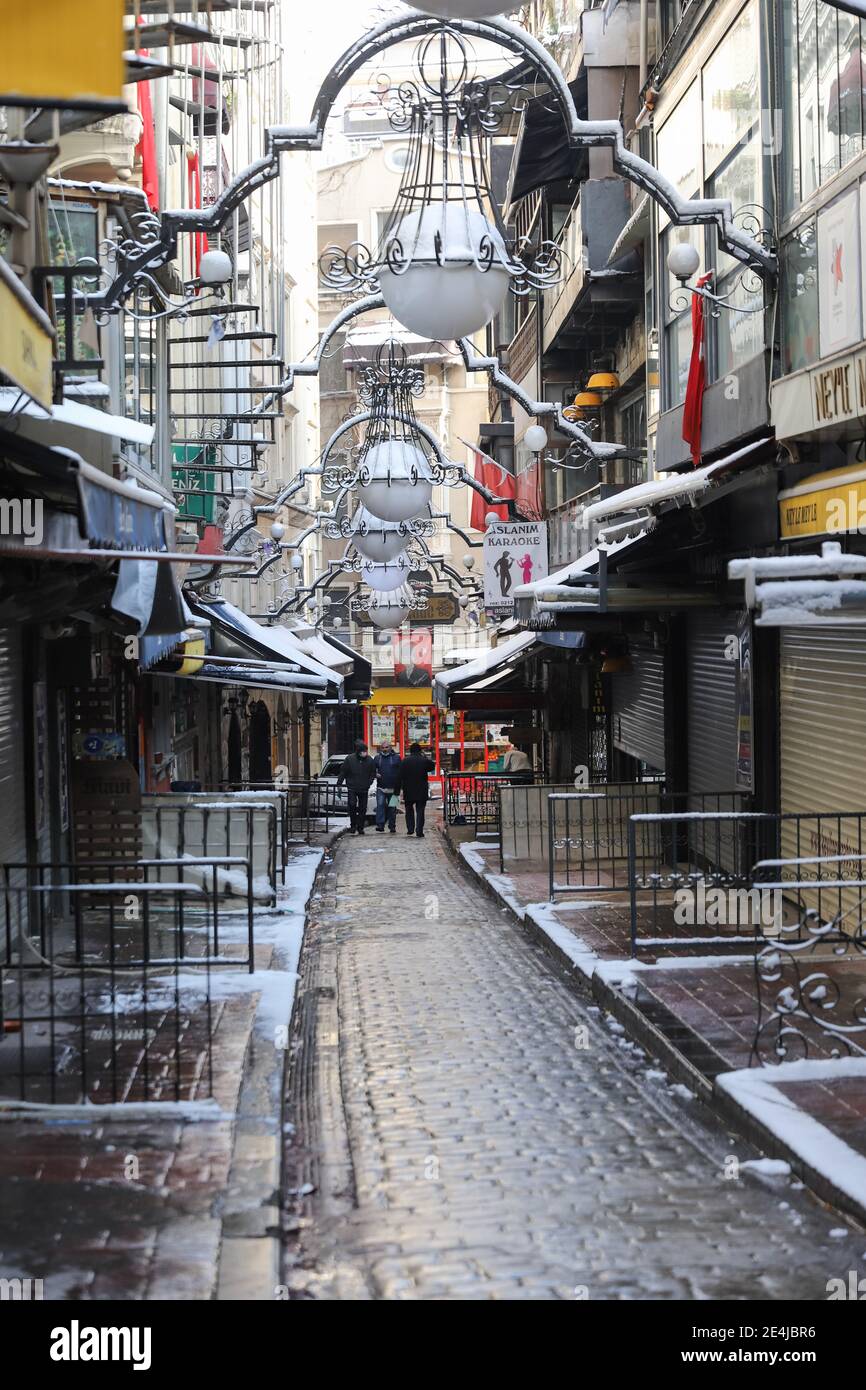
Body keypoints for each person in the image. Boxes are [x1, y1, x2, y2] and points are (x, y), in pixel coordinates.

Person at [336, 740, 376, 834]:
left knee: (363, 808)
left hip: (364, 788)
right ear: (358, 752)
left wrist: (369, 783)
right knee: (352, 805)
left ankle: (360, 827)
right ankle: (353, 825)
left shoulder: (370, 760)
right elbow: (343, 772)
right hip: (352, 788)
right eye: (363, 751)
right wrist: (339, 783)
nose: (364, 753)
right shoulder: (349, 759)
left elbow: (372, 773)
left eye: (366, 751)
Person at [396, 741, 435, 838]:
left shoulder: (405, 761)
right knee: (420, 811)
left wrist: (398, 789)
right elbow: (432, 766)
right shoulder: (423, 760)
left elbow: (399, 776)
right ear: (420, 751)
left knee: (409, 810)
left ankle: (410, 829)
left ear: (410, 751)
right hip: (421, 790)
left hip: (408, 790)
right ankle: (419, 831)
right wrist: (425, 756)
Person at [373, 739, 402, 834]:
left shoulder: (397, 758)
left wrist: (400, 786)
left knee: (392, 808)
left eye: (386, 747)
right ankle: (380, 825)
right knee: (380, 806)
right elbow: (372, 770)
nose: (384, 749)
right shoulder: (377, 758)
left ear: (390, 747)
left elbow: (401, 771)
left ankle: (392, 826)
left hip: (393, 788)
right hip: (381, 787)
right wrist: (375, 774)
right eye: (383, 747)